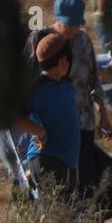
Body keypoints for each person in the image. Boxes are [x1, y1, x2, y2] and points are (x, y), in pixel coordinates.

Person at [23, 0, 112, 192]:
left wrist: (103, 114)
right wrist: (37, 130)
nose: (73, 29)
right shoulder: (41, 40)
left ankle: (87, 220)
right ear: (58, 19)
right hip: (50, 125)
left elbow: (93, 78)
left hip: (82, 121)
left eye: (76, 24)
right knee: (55, 186)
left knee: (83, 181)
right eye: (68, 24)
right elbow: (25, 86)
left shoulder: (82, 40)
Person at [24, 32, 82, 198]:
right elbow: (15, 116)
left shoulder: (65, 84)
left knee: (65, 217)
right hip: (47, 160)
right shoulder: (37, 89)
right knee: (56, 216)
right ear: (64, 60)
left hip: (66, 162)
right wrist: (40, 132)